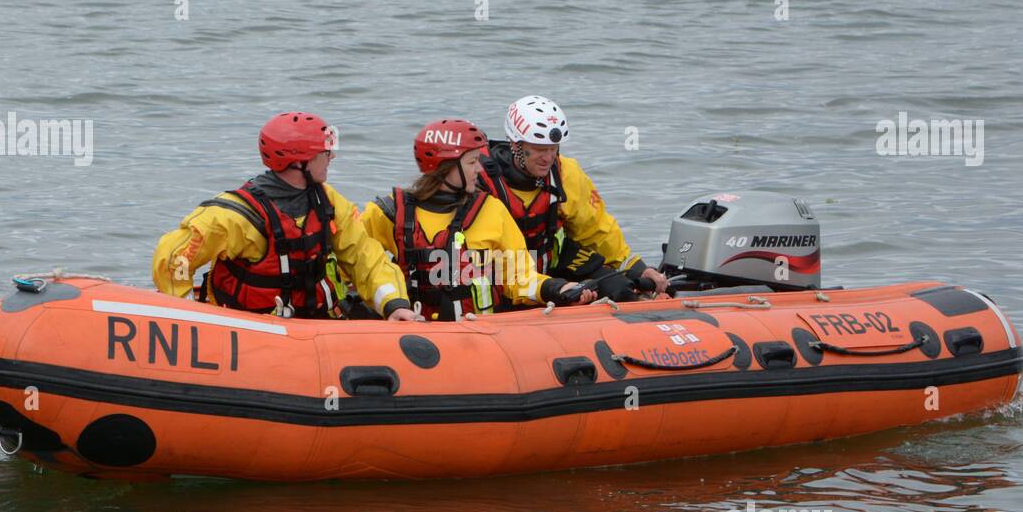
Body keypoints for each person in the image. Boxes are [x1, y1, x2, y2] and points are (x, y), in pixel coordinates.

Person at [153, 112, 419, 321]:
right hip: (251, 327)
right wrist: (185, 313)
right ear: (299, 162)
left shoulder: (327, 202)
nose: (332, 157)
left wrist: (394, 304)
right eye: (324, 153)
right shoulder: (236, 215)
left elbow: (364, 257)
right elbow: (175, 255)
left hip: (316, 323)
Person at [361, 118, 596, 320]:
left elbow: (519, 277)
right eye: (472, 162)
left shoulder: (491, 210)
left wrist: (558, 288)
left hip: (481, 336)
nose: (479, 170)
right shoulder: (387, 213)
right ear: (446, 167)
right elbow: (359, 265)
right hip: (414, 333)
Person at [478, 95, 670, 302]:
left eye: (554, 149)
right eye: (540, 150)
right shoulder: (479, 179)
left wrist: (637, 268)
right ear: (515, 145)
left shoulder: (566, 173)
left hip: (549, 267)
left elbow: (597, 230)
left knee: (620, 288)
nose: (549, 158)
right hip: (503, 275)